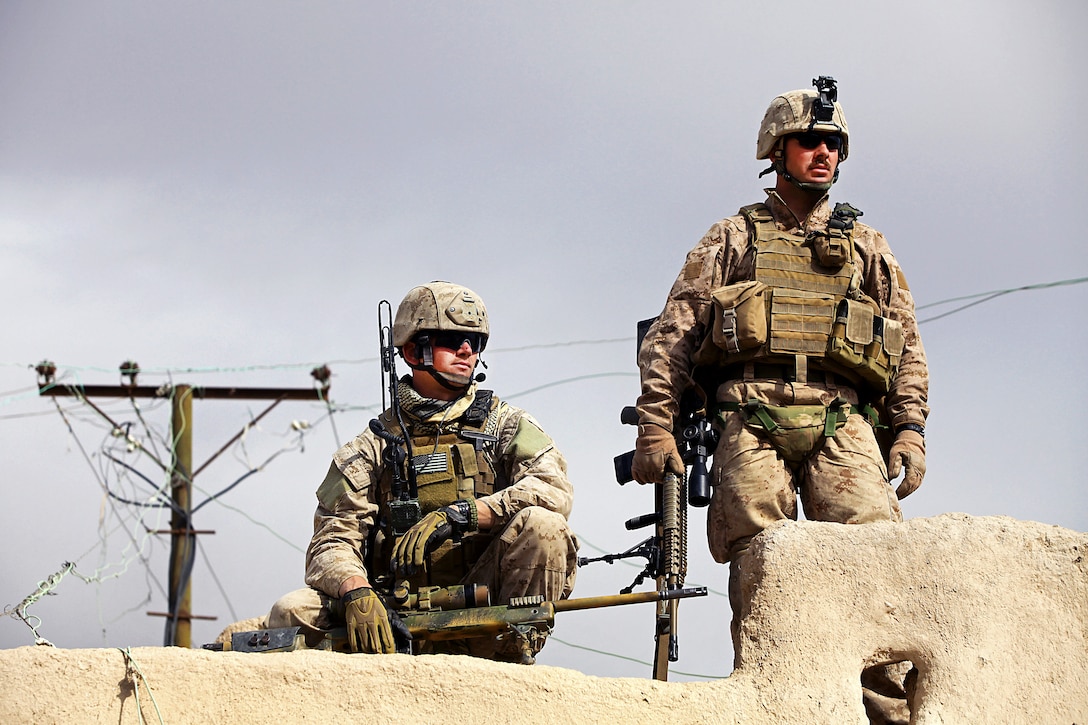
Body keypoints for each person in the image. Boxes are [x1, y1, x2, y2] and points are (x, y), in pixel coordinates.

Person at [631, 77, 927, 723]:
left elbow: (905, 343)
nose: (823, 153)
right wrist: (655, 425)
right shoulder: (732, 237)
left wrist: (909, 429)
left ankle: (888, 710)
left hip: (841, 415)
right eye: (808, 141)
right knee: (763, 562)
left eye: (832, 144)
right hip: (749, 413)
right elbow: (673, 333)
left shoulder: (867, 245)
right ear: (776, 149)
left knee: (876, 558)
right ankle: (778, 701)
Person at [267, 281, 578, 662]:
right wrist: (356, 593)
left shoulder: (505, 425)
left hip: (484, 608)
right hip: (394, 614)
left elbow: (552, 489)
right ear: (414, 350)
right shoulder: (371, 447)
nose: (467, 350)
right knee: (289, 612)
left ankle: (512, 659)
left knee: (544, 526)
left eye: (475, 342)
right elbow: (332, 541)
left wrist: (465, 515)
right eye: (453, 339)